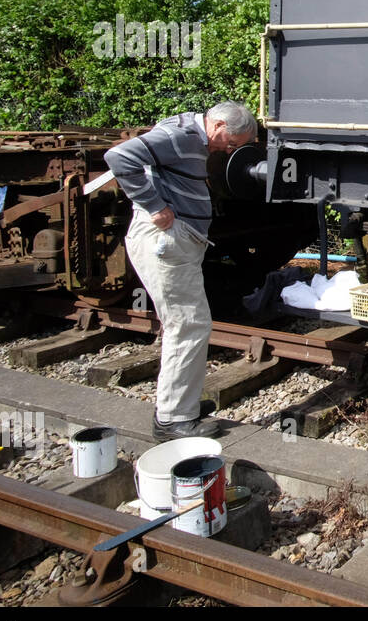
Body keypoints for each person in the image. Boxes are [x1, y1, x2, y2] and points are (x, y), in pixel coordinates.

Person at [104, 102, 258, 440]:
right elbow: (119, 158)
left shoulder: (191, 135)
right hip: (165, 241)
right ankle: (173, 419)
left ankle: (179, 405)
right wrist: (155, 207)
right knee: (187, 325)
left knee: (188, 324)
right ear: (217, 124)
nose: (227, 150)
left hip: (176, 243)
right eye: (230, 142)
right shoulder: (181, 135)